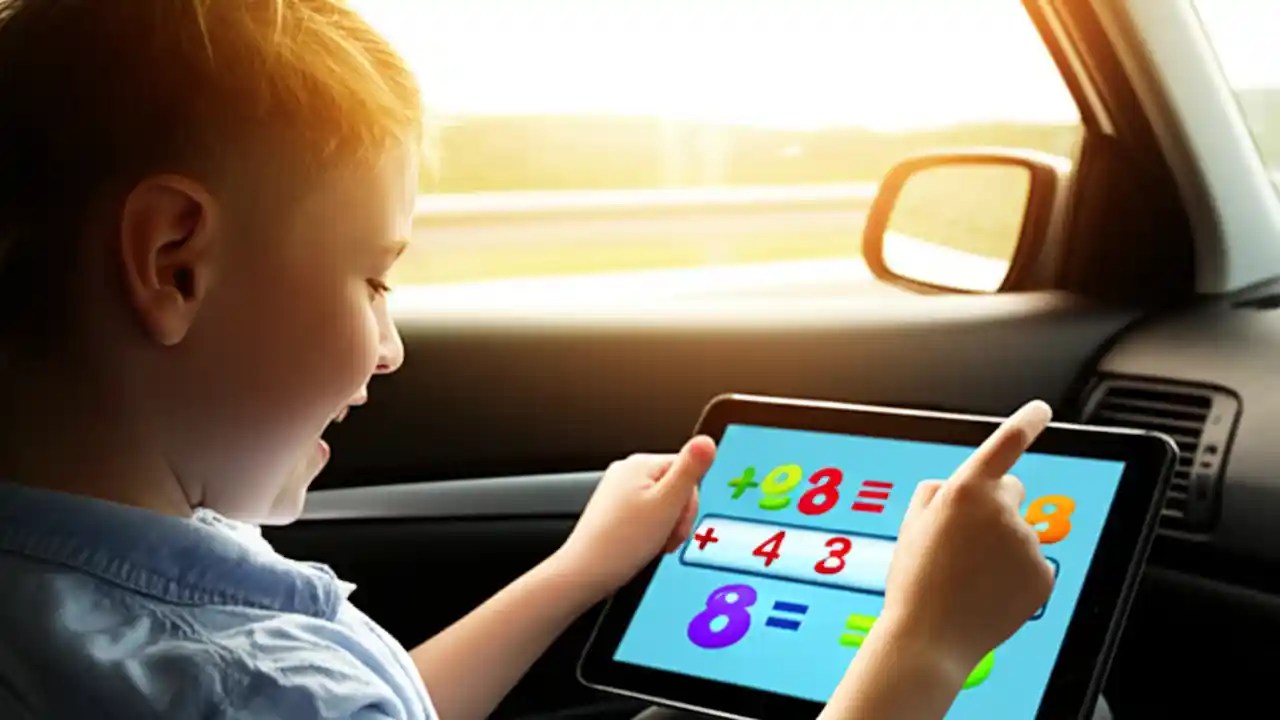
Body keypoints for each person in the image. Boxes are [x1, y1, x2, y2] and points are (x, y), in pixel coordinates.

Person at [0, 1, 1055, 718]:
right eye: (373, 278)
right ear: (174, 266)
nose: (390, 346)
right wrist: (917, 654)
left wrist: (575, 574)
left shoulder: (84, 617)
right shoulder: (234, 683)